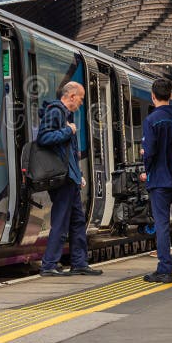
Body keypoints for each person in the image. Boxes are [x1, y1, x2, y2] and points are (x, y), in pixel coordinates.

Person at [37, 81, 103, 277]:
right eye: (81, 98)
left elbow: (70, 152)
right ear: (71, 96)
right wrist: (69, 131)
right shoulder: (55, 111)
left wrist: (79, 174)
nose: (81, 103)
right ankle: (49, 264)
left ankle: (79, 262)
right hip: (62, 178)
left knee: (77, 221)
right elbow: (44, 137)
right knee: (61, 220)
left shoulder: (66, 115)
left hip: (70, 177)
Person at [140, 78, 172, 284]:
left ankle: (164, 270)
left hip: (160, 180)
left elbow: (150, 152)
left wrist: (147, 167)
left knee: (162, 225)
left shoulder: (152, 120)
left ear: (153, 96)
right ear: (171, 96)